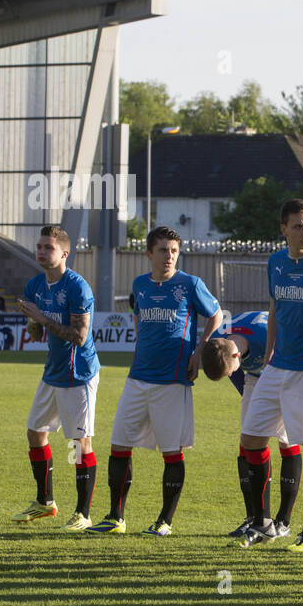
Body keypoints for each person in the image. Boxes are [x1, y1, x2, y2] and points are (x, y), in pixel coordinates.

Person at [217, 200, 303, 551]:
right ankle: (264, 522)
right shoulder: (276, 262)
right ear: (284, 229)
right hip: (278, 367)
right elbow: (275, 307)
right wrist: (272, 348)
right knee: (250, 438)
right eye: (298, 225)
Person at [89, 226, 222, 536]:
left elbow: (215, 315)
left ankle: (164, 521)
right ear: (149, 253)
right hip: (137, 378)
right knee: (119, 445)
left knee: (172, 452)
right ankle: (115, 517)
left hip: (172, 381)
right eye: (163, 250)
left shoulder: (190, 284)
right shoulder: (140, 285)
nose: (169, 256)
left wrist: (199, 350)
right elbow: (139, 317)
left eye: (174, 250)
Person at [13, 225, 100, 531]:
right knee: (35, 432)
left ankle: (83, 513)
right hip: (53, 371)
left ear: (64, 253)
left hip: (78, 373)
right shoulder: (35, 285)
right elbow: (37, 332)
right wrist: (31, 321)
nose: (40, 251)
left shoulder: (77, 287)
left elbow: (79, 336)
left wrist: (41, 319)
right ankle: (45, 502)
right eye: (38, 246)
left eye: (48, 247)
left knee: (79, 443)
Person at [198, 311, 303, 547]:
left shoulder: (267, 336)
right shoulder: (220, 341)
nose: (231, 373)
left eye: (231, 369)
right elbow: (234, 373)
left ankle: (283, 522)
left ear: (237, 354)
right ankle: (254, 518)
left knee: (288, 441)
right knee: (248, 442)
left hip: (287, 375)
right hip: (256, 378)